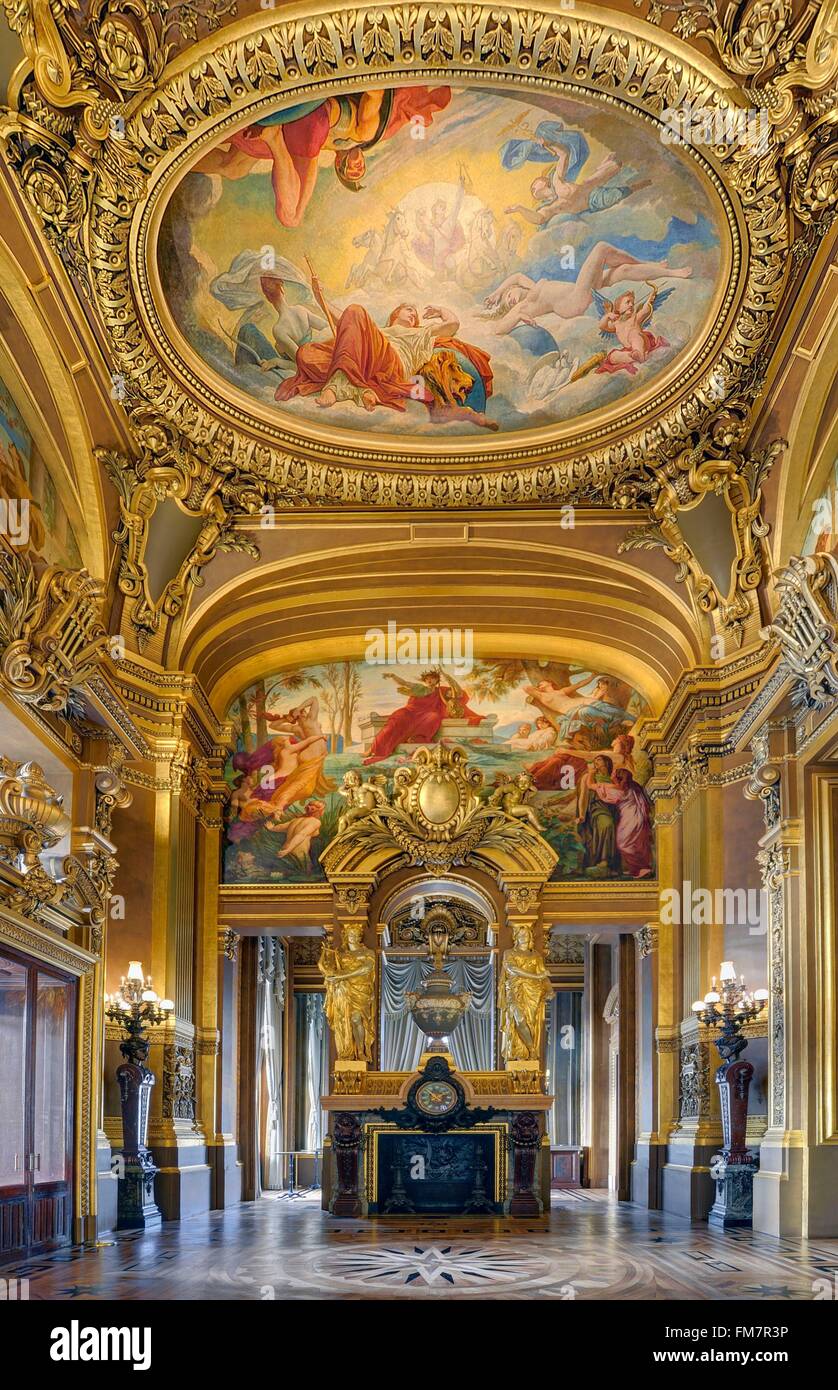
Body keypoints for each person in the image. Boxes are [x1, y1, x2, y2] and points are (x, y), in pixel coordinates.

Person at [196, 88, 451, 227]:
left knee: (234, 169)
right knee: (289, 216)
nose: (356, 167)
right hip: (309, 125)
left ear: (338, 165)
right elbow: (375, 89)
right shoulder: (365, 132)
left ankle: (181, 157)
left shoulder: (342, 142)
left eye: (350, 172)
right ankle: (272, 139)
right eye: (360, 169)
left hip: (303, 131)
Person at [276, 292, 492, 420]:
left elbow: (453, 325)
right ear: (395, 314)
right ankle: (361, 389)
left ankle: (337, 386)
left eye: (414, 313)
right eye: (408, 310)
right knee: (307, 353)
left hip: (393, 364)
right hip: (370, 362)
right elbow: (345, 319)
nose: (413, 314)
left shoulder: (419, 332)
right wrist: (319, 295)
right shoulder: (378, 332)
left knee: (356, 310)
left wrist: (440, 309)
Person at [482, 242, 691, 337]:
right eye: (507, 302)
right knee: (601, 248)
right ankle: (667, 272)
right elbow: (497, 328)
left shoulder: (528, 285)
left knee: (624, 270)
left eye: (510, 296)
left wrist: (498, 292)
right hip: (574, 301)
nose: (510, 300)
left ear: (515, 288)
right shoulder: (524, 305)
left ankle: (659, 269)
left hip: (582, 293)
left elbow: (516, 276)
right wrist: (517, 315)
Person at [589, 767, 654, 877]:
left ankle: (640, 869)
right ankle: (639, 868)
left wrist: (591, 773)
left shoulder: (617, 789)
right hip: (640, 818)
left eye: (613, 773)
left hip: (630, 820)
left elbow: (590, 785)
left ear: (617, 777)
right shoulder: (634, 787)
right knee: (638, 844)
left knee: (623, 843)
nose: (611, 775)